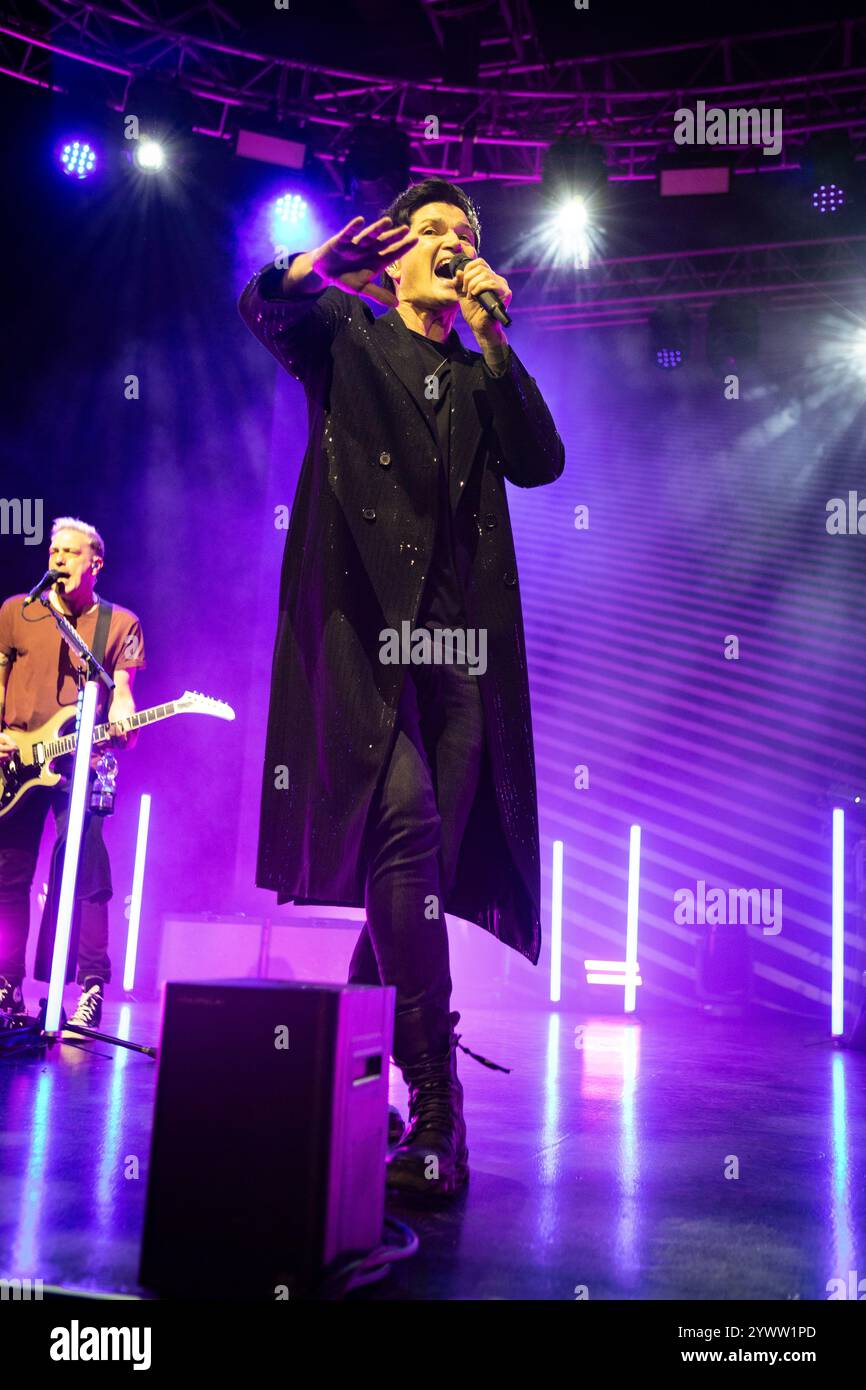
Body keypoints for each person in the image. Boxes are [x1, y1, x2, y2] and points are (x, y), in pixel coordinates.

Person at [239, 178, 564, 1198]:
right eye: (430, 235)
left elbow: (540, 460)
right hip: (364, 641)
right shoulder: (346, 333)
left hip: (458, 658)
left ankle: (345, 1082)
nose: (449, 249)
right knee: (406, 822)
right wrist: (304, 271)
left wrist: (495, 334)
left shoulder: (474, 377)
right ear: (389, 261)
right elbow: (262, 306)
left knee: (406, 868)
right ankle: (437, 1104)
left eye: (463, 239)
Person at [0, 517, 145, 1031]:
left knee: (88, 874)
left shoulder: (119, 623)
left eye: (69, 552)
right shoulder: (17, 612)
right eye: (53, 550)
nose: (58, 559)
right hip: (16, 766)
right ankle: (6, 983)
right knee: (11, 875)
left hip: (79, 762)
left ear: (95, 564)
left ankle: (90, 987)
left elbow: (122, 690)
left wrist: (124, 715)